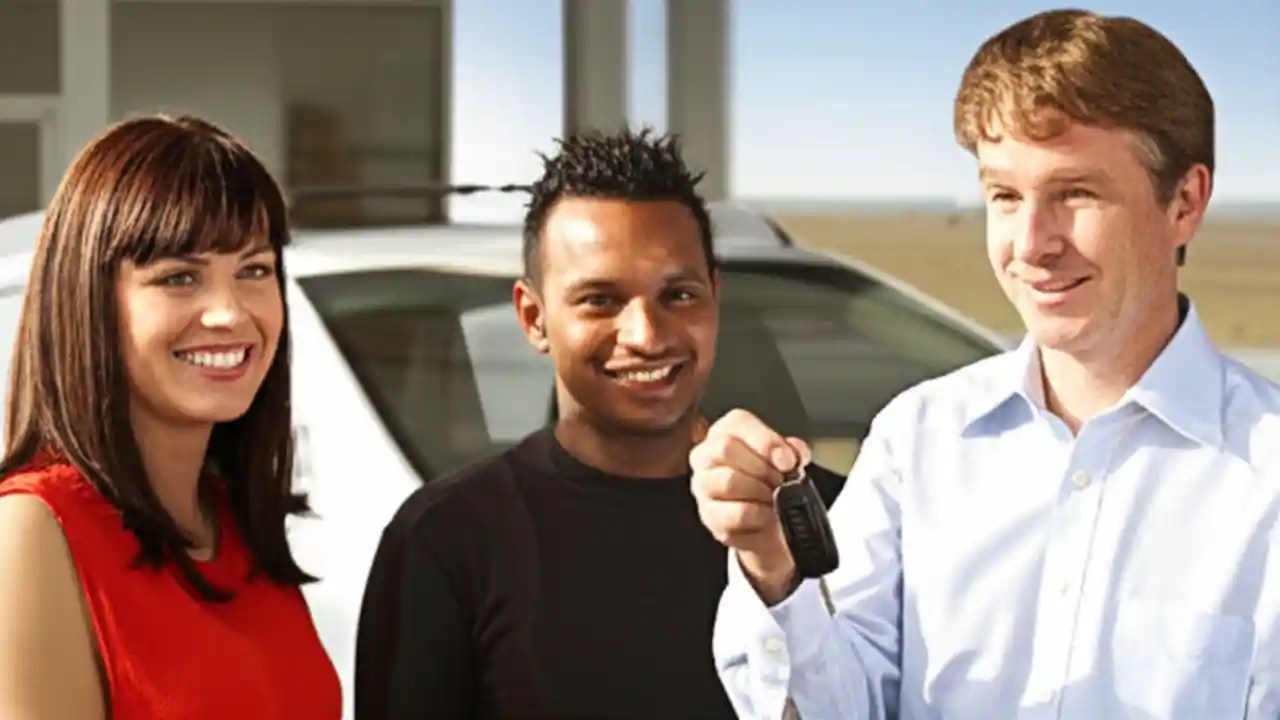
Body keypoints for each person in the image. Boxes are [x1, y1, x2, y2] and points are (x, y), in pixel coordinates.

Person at [692, 9, 1280, 720]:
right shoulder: (917, 440)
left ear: (1184, 202)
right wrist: (773, 568)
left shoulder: (1267, 479)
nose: (1031, 244)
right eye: (1004, 196)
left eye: (1075, 194)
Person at [353, 127, 846, 718]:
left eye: (679, 295)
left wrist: (784, 580)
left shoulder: (828, 520)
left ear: (715, 296)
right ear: (533, 317)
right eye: (600, 300)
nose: (647, 335)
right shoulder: (449, 542)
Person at [0, 115, 342, 719]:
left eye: (254, 270)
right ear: (90, 302)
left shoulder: (234, 520)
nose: (230, 313)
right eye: (179, 278)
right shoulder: (30, 534)